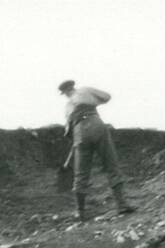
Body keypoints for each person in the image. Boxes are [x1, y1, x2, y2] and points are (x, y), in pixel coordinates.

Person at [58, 80, 135, 222]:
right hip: (96, 124)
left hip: (78, 132)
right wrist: (93, 101)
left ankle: (80, 213)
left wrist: (78, 138)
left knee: (80, 174)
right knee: (111, 165)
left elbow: (68, 132)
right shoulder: (85, 90)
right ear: (73, 87)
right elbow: (107, 97)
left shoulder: (67, 106)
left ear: (65, 93)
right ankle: (122, 204)